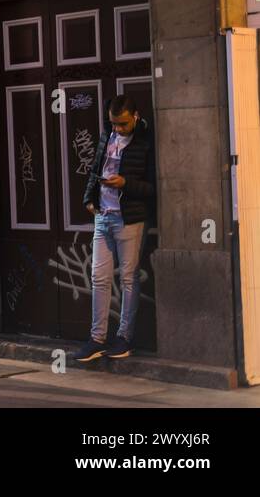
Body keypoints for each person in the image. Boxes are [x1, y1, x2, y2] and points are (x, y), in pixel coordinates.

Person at [75, 95, 157, 363]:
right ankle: (96, 339)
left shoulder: (145, 142)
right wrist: (89, 198)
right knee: (98, 277)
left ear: (135, 116)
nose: (118, 129)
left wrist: (125, 184)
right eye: (114, 124)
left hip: (129, 219)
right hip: (103, 216)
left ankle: (124, 338)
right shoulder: (106, 136)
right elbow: (95, 168)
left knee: (128, 278)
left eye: (122, 124)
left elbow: (153, 187)